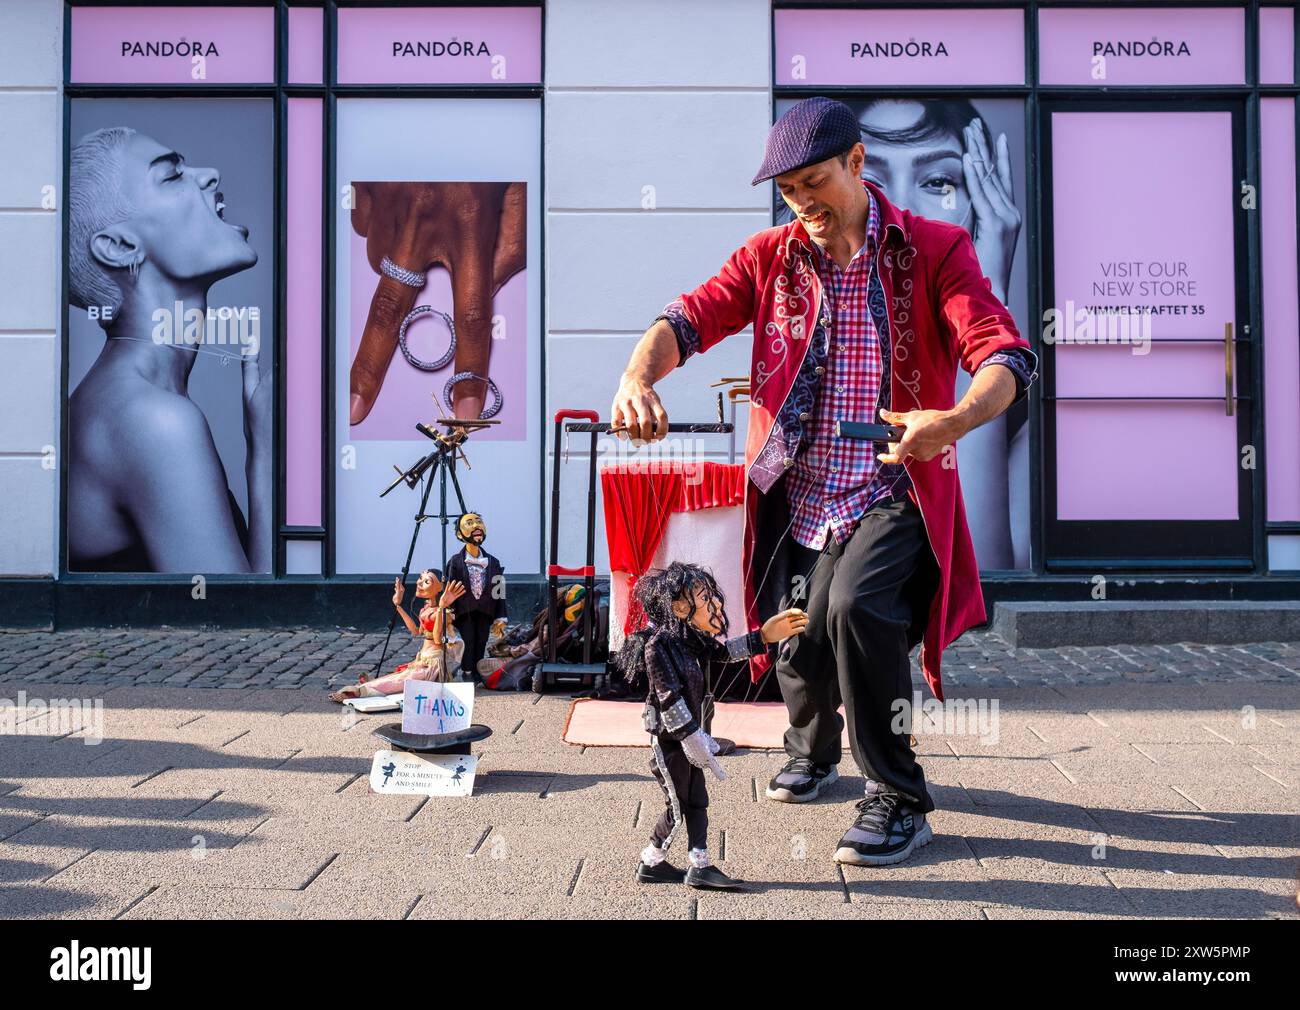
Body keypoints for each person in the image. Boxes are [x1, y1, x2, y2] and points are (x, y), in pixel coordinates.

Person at [609, 96, 1039, 867]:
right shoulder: (768, 257)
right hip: (798, 489)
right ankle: (813, 752)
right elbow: (689, 319)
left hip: (892, 482)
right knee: (795, 640)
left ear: (856, 164)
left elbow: (1002, 355)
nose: (803, 202)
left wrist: (949, 420)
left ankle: (900, 799)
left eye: (815, 181)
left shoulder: (935, 248)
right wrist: (638, 376)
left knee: (854, 607)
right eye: (788, 190)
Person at [67, 126, 270, 572]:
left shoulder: (120, 401)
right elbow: (236, 628)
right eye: (172, 176)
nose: (209, 174)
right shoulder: (154, 421)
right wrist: (265, 454)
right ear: (119, 247)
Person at [617, 562, 808, 890]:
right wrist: (693, 739)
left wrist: (764, 636)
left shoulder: (687, 638)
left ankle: (699, 864)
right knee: (677, 807)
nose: (714, 604)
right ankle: (651, 861)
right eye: (704, 598)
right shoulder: (658, 646)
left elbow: (723, 652)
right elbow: (668, 697)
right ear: (678, 607)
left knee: (698, 799)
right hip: (670, 744)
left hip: (691, 739)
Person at [329, 569, 466, 702]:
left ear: (439, 588)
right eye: (420, 578)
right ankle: (363, 688)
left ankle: (359, 692)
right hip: (422, 659)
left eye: (426, 582)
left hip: (432, 666)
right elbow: (416, 631)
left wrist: (442, 608)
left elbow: (437, 639)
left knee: (401, 681)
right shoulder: (425, 610)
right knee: (398, 678)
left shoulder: (443, 614)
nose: (419, 583)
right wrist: (398, 606)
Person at [445, 511, 508, 680]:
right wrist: (449, 611)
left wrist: (500, 615)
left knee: (481, 639)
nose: (476, 526)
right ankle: (467, 671)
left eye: (479, 521)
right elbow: (450, 587)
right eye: (469, 523)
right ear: (460, 534)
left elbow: (499, 589)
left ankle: (478, 669)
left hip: (486, 609)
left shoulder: (493, 562)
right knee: (468, 640)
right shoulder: (455, 562)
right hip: (464, 609)